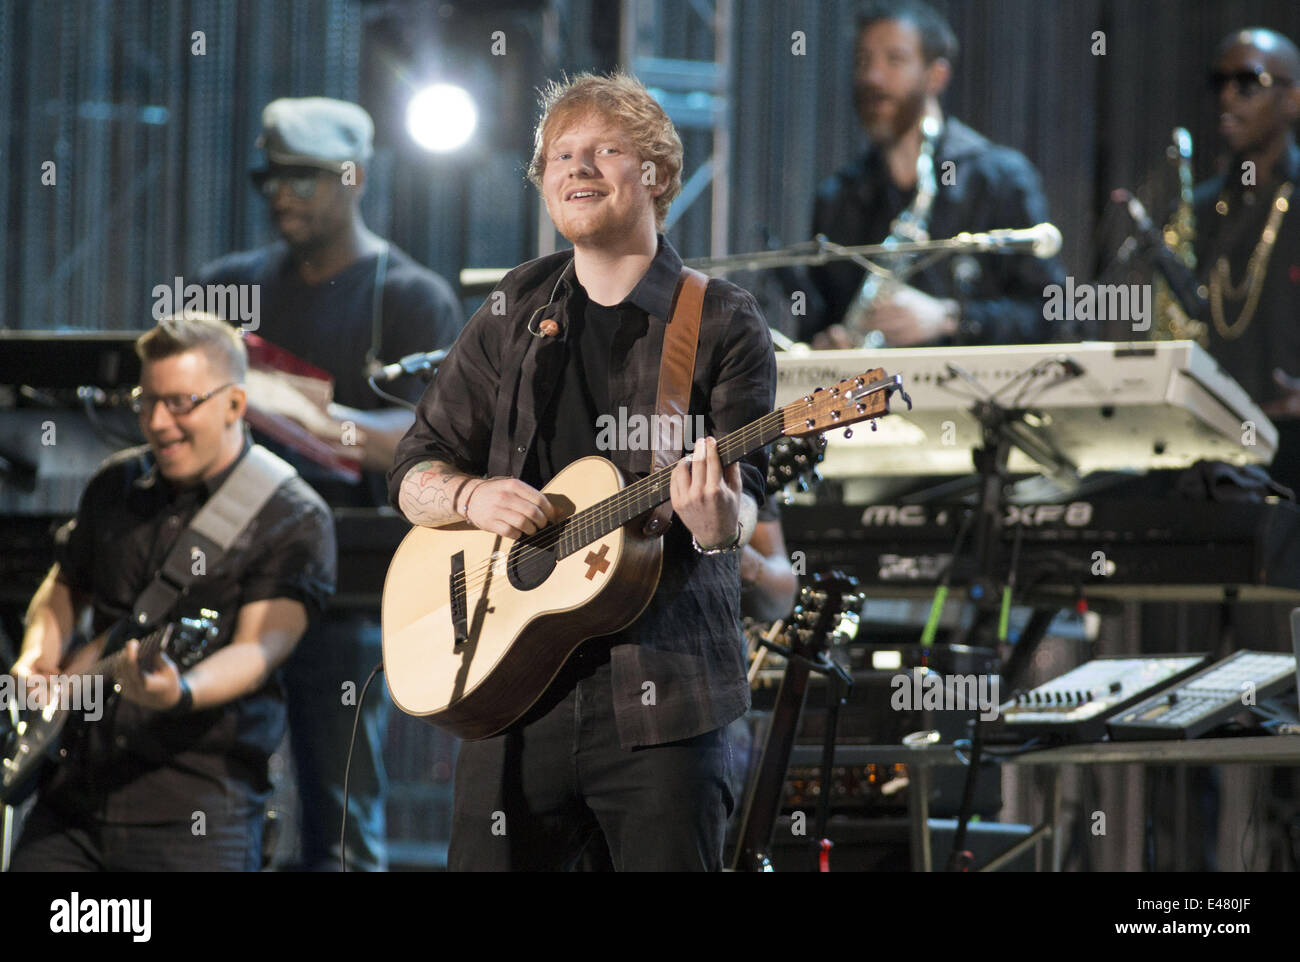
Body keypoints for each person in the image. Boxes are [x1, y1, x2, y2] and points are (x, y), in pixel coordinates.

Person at [388, 72, 777, 871]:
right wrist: (471, 495)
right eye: (560, 155)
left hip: (664, 701)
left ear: (657, 175)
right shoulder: (516, 305)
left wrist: (717, 527)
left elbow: (745, 505)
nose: (577, 167)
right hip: (508, 690)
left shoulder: (722, 318)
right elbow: (413, 468)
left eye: (606, 150)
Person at [197, 97, 464, 871]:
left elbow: (425, 447)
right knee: (209, 804)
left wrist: (293, 407)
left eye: (304, 179)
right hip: (226, 573)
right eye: (270, 179)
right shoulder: (227, 288)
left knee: (339, 823)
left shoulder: (409, 296)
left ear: (355, 178)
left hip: (349, 589)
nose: (282, 195)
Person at [8, 314, 335, 872]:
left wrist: (180, 691)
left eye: (180, 403)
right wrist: (37, 654)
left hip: (196, 813)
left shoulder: (294, 514)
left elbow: (258, 650)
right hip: (71, 800)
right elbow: (65, 583)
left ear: (234, 404)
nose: (158, 423)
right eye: (147, 401)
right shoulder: (114, 483)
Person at [803, 0, 1066, 348]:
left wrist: (949, 317)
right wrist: (827, 345)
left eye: (894, 60)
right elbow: (815, 322)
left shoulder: (1000, 180)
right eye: (864, 61)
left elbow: (1051, 312)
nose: (872, 77)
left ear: (936, 76)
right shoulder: (838, 197)